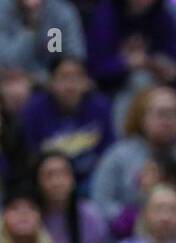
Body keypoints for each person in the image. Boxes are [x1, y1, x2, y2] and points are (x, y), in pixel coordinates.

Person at [89, 85, 176, 232]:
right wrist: (133, 220)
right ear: (142, 118)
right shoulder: (117, 156)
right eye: (162, 114)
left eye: (175, 114)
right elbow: (102, 201)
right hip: (129, 237)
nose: (168, 121)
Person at [85, 0, 176, 134]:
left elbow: (175, 69)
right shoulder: (107, 13)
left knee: (146, 81)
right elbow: (95, 68)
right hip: (111, 87)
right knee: (138, 80)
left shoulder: (163, 16)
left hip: (156, 85)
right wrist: (124, 63)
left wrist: (152, 63)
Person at [21, 57, 116, 188]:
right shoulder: (34, 110)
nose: (70, 84)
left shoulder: (100, 106)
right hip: (49, 183)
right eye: (63, 77)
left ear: (87, 82)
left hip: (91, 180)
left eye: (77, 77)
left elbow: (109, 152)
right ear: (51, 82)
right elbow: (31, 155)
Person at [0, 0, 87, 83]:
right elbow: (7, 64)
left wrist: (43, 78)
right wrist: (31, 26)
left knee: (73, 85)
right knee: (16, 89)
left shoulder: (61, 12)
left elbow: (73, 57)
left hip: (49, 80)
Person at [33, 150, 111, 243]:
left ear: (73, 179)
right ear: (38, 182)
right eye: (49, 175)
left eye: (63, 174)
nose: (57, 182)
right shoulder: (33, 216)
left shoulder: (90, 214)